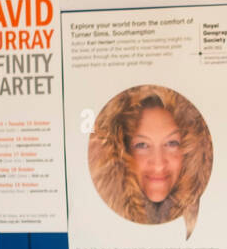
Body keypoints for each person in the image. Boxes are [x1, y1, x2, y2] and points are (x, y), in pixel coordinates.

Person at [87, 85, 212, 236]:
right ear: (122, 151)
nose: (159, 164)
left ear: (191, 150)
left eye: (172, 143)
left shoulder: (210, 220)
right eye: (142, 145)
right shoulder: (99, 227)